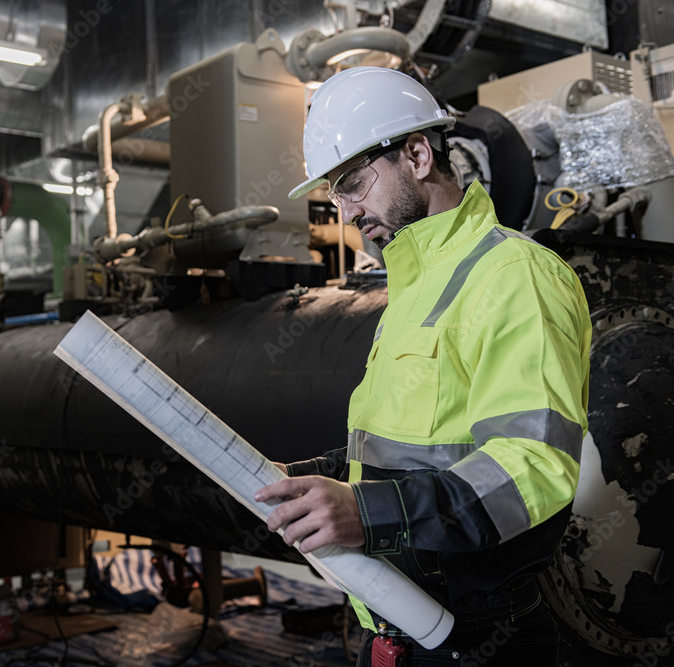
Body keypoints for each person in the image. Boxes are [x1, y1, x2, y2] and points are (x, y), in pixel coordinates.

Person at [254, 67, 591, 666]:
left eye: (353, 184)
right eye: (335, 194)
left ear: (416, 155)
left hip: (478, 639)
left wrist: (366, 513)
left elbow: (533, 467)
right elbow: (407, 451)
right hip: (393, 629)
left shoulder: (515, 275)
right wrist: (310, 479)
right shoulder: (413, 289)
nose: (347, 213)